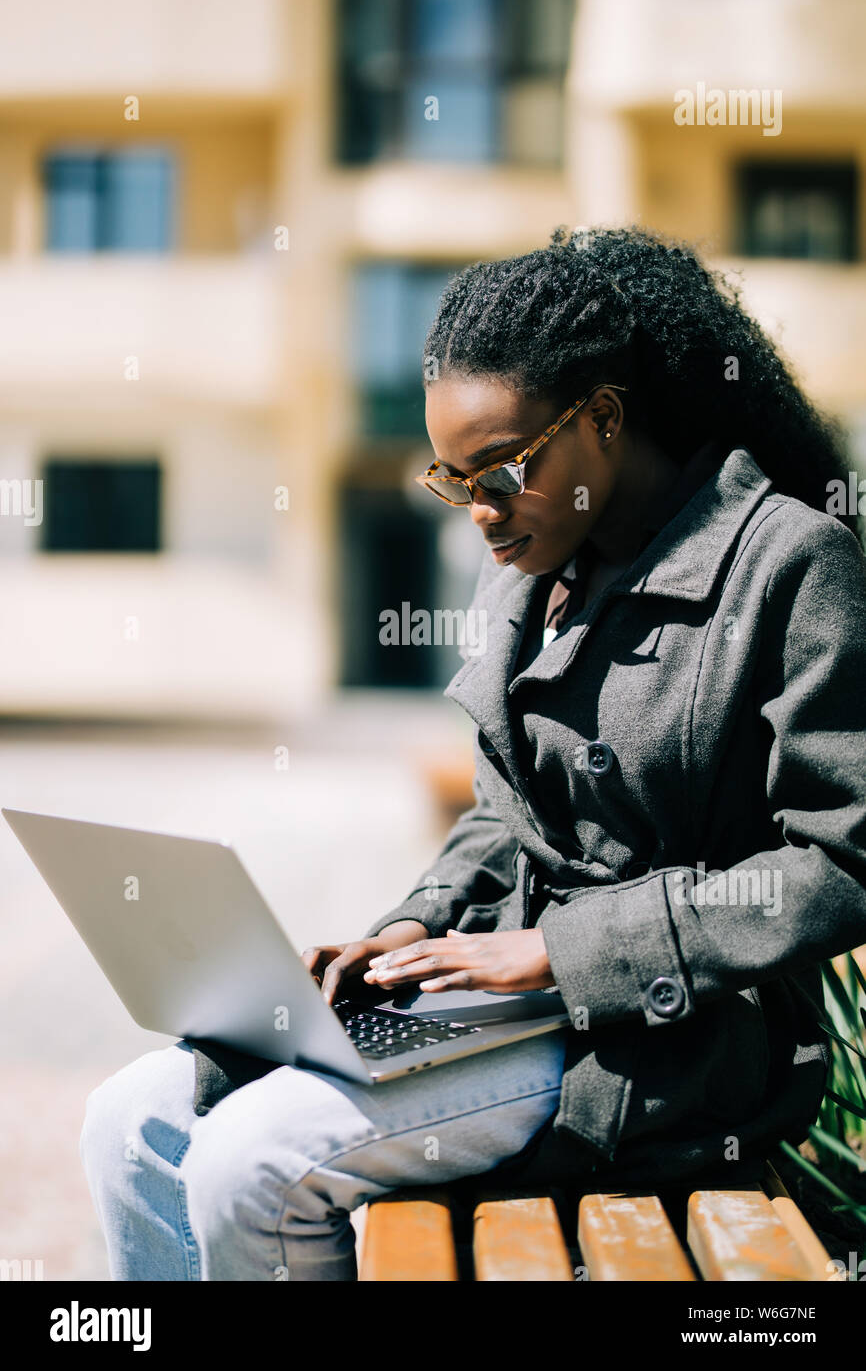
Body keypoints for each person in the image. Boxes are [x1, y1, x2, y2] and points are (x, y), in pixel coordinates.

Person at [80, 224, 866, 1280]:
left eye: (499, 470)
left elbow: (838, 866)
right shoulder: (532, 560)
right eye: (453, 481)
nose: (480, 516)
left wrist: (564, 951)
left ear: (600, 416)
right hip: (492, 999)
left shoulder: (787, 564)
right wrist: (412, 926)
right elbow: (510, 812)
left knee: (247, 1165)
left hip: (663, 1042)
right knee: (126, 1120)